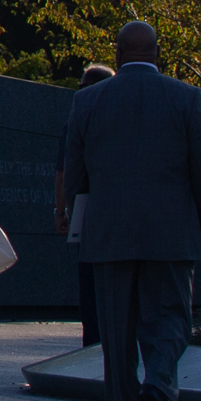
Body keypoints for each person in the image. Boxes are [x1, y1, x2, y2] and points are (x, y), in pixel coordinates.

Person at [60, 20, 201, 401]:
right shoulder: (187, 98)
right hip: (171, 229)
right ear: (157, 53)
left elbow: (76, 171)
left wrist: (70, 217)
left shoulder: (88, 101)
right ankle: (159, 382)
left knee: (116, 329)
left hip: (108, 231)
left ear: (116, 55)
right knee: (171, 316)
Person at [53, 61, 118, 344]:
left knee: (92, 287)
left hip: (91, 214)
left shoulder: (78, 118)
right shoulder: (125, 117)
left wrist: (61, 211)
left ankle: (92, 348)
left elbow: (65, 172)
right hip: (127, 217)